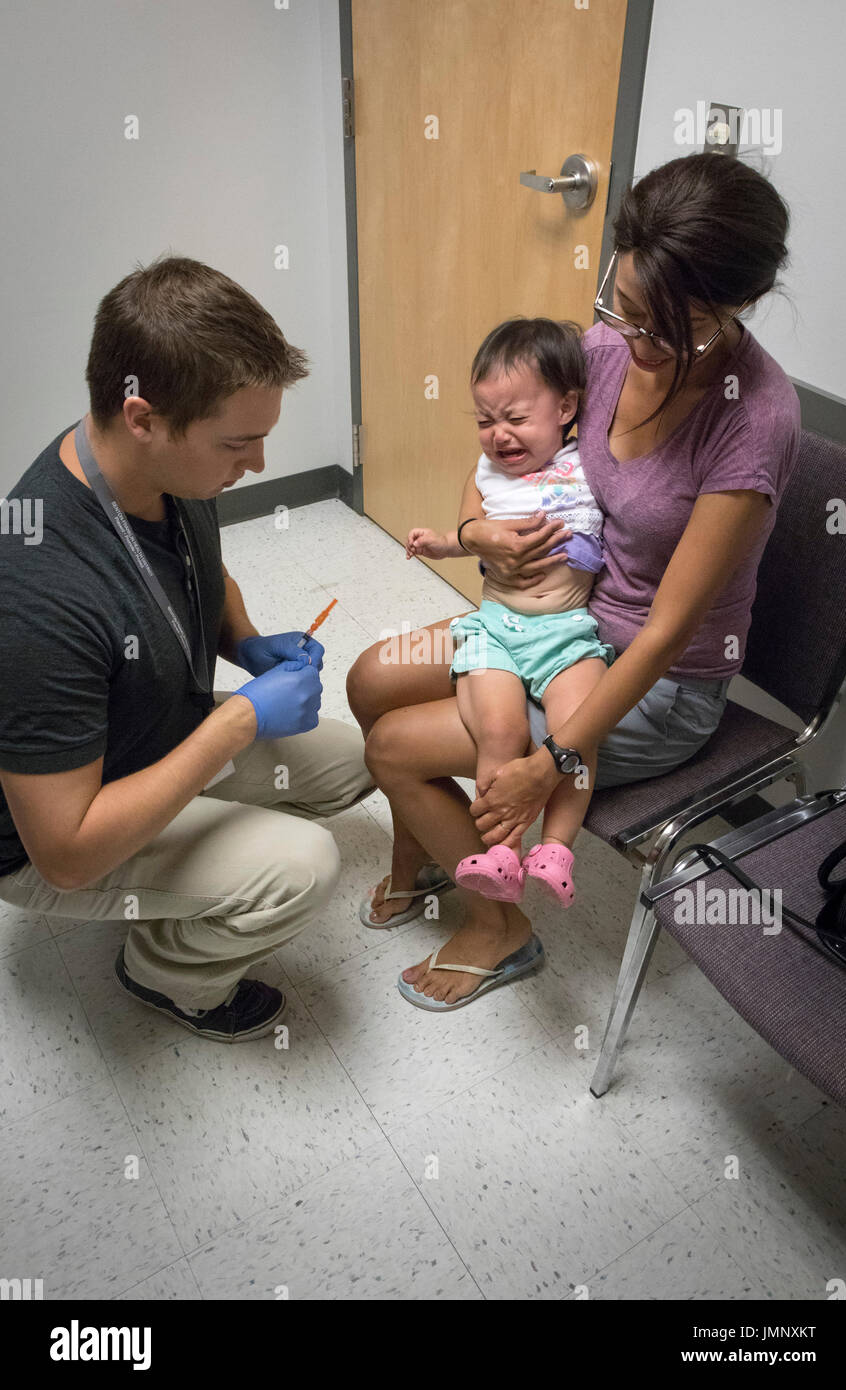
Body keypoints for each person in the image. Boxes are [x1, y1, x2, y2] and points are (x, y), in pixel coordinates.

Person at [348, 152, 801, 1011]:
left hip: (651, 679)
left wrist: (555, 759)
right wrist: (479, 533)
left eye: (664, 329)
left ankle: (499, 931)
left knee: (392, 747)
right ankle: (426, 865)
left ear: (733, 307)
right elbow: (500, 451)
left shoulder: (755, 421)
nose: (630, 343)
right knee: (372, 675)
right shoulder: (604, 346)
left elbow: (666, 630)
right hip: (550, 617)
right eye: (619, 306)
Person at [0, 255, 373, 1042]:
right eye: (240, 444)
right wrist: (238, 723)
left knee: (352, 761)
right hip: (56, 840)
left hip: (152, 739)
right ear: (143, 417)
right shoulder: (35, 594)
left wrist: (245, 644)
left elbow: (206, 570)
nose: (259, 466)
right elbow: (64, 853)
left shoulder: (167, 475)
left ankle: (185, 861)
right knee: (303, 864)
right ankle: (166, 976)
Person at [405, 317, 614, 909]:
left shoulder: (590, 462)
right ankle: (501, 852)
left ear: (567, 407)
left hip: (570, 633)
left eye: (516, 418)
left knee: (577, 732)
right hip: (497, 628)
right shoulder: (485, 474)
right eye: (484, 420)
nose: (499, 435)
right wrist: (444, 540)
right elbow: (463, 534)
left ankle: (557, 850)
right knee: (501, 731)